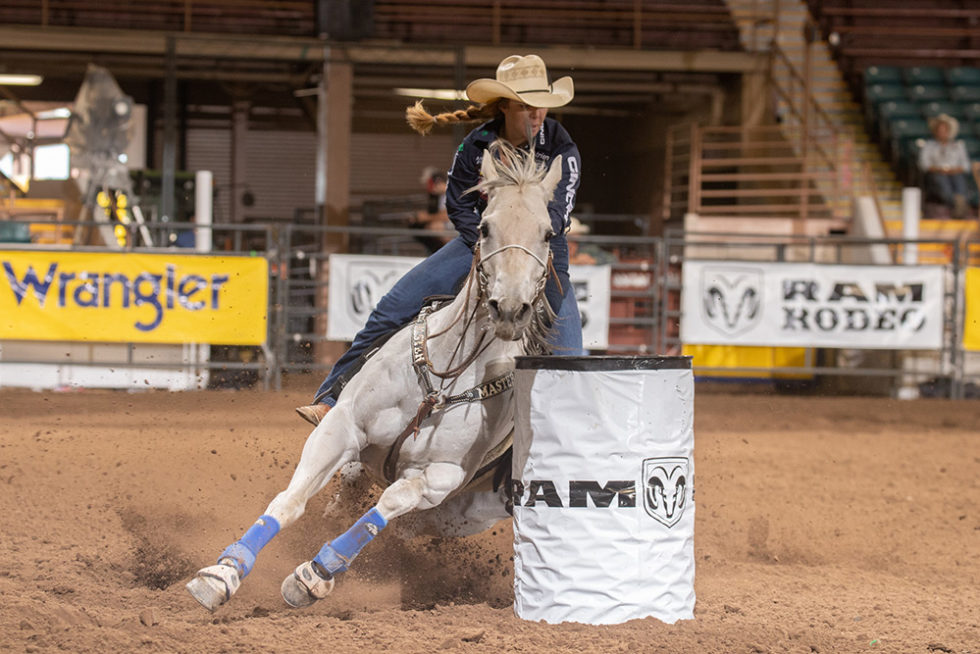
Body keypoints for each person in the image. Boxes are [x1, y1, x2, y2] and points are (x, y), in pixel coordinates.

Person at [297, 54, 584, 425]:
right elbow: (457, 203)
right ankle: (332, 399)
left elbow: (561, 207)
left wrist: (530, 235)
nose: (536, 114)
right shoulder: (475, 145)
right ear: (504, 108)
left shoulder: (560, 145)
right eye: (525, 106)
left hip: (542, 246)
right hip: (482, 242)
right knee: (393, 307)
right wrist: (485, 242)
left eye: (540, 105)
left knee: (566, 347)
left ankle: (560, 438)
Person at [918, 113, 971, 219]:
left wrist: (952, 170)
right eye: (940, 130)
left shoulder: (958, 146)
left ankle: (960, 202)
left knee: (958, 179)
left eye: (944, 130)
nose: (942, 133)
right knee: (941, 180)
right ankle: (958, 204)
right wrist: (939, 170)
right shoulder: (929, 146)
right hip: (937, 174)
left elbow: (966, 165)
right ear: (936, 131)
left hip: (955, 174)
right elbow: (924, 164)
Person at [408, 167, 452, 254]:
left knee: (435, 226)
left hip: (457, 226)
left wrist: (426, 217)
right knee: (419, 226)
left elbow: (447, 215)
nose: (431, 189)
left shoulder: (451, 192)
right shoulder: (439, 197)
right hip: (449, 226)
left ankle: (452, 250)